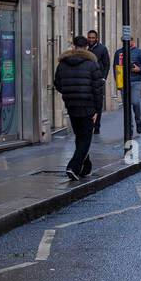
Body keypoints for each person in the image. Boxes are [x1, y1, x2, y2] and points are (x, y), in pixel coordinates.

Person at [54, 35, 104, 181]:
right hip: (88, 105)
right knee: (85, 138)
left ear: (74, 46)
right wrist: (97, 110)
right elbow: (97, 89)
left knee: (79, 136)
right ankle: (73, 167)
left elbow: (57, 83)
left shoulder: (62, 64)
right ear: (87, 47)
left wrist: (69, 93)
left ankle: (86, 167)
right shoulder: (92, 64)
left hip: (71, 104)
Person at [113, 38, 141, 133]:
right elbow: (115, 68)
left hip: (135, 81)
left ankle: (138, 120)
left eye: (129, 41)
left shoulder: (138, 52)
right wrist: (118, 82)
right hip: (123, 82)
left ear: (132, 41)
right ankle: (130, 128)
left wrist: (139, 69)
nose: (128, 42)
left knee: (136, 102)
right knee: (126, 106)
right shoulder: (118, 53)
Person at [86, 29, 111, 134]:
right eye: (89, 37)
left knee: (98, 103)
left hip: (98, 80)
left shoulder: (102, 49)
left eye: (93, 38)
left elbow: (107, 64)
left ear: (97, 38)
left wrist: (103, 78)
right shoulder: (85, 48)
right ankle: (89, 124)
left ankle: (97, 126)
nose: (91, 39)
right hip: (87, 79)